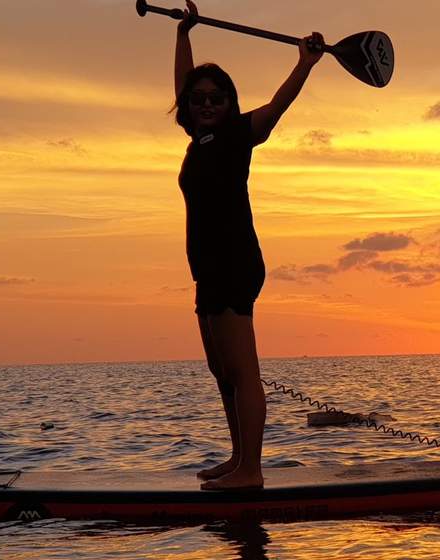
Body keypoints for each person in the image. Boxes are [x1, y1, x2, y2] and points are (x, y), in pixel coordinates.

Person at [172, 0, 324, 490]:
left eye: (217, 96)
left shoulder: (239, 134)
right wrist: (183, 36)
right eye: (200, 98)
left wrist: (304, 63)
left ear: (230, 101)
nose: (208, 102)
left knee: (242, 369)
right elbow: (182, 84)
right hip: (208, 270)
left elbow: (277, 107)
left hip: (236, 263)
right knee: (221, 370)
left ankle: (251, 472)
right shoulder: (196, 139)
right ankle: (238, 459)